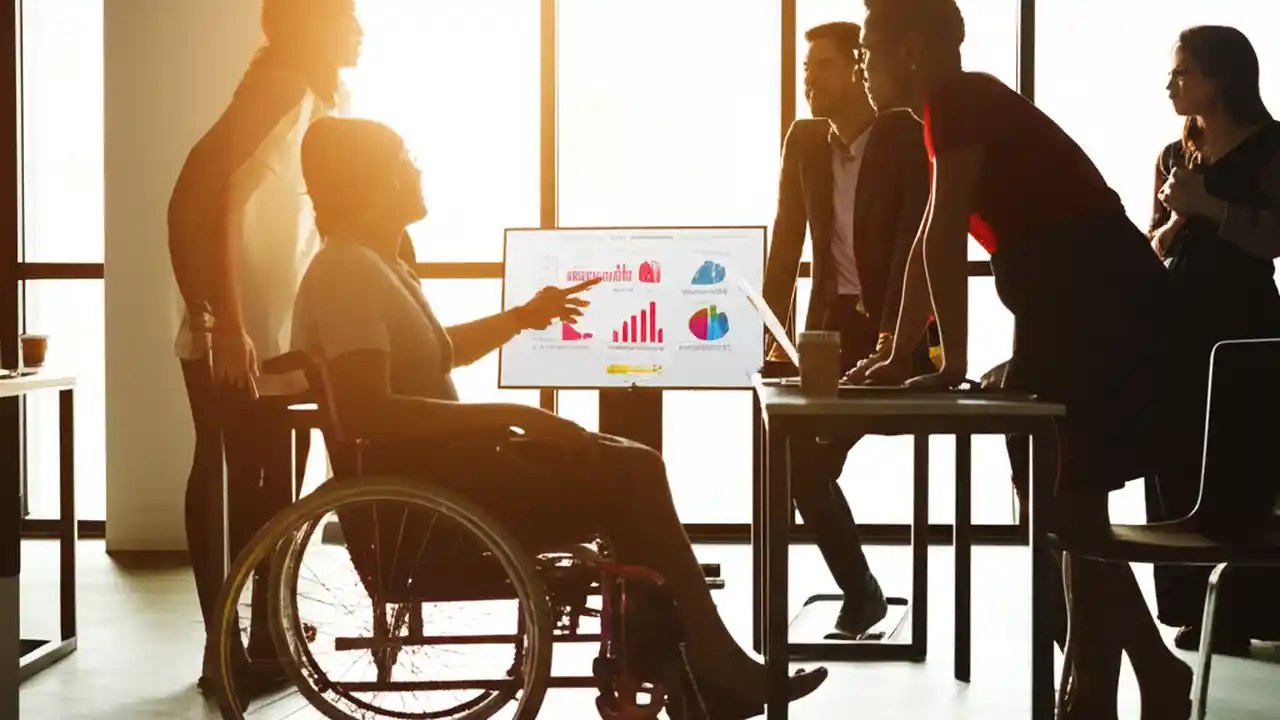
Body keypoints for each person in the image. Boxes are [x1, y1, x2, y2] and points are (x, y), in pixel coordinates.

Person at [289, 116, 829, 718]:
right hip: (436, 508)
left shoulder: (376, 265)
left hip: (453, 477)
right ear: (369, 181)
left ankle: (692, 659)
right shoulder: (346, 273)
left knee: (628, 465)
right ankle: (711, 663)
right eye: (402, 157)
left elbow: (439, 352)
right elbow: (371, 412)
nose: (416, 168)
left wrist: (522, 316)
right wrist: (520, 416)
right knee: (631, 474)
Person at [851, 0, 1192, 716]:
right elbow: (927, 242)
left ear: (911, 50)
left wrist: (946, 365)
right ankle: (1137, 675)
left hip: (1101, 310)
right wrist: (898, 351)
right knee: (1065, 503)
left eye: (867, 47)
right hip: (1078, 310)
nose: (862, 64)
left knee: (1066, 498)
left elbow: (943, 236)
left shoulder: (959, 97)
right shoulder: (951, 111)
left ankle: (1099, 686)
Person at [165, 0, 363, 692]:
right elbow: (201, 192)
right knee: (226, 472)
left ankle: (268, 636)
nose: (360, 30)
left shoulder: (316, 92)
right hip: (237, 322)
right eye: (348, 16)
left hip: (281, 322)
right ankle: (223, 652)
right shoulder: (276, 82)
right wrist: (219, 322)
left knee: (277, 477)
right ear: (312, 24)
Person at [761, 21, 931, 637]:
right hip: (829, 334)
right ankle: (861, 592)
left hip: (896, 330)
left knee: (807, 464)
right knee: (797, 463)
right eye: (805, 68)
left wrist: (896, 340)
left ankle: (862, 596)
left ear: (858, 67)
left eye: (822, 66)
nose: (809, 78)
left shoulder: (905, 134)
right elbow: (786, 242)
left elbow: (921, 243)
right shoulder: (805, 141)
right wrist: (770, 331)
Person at [1146, 25, 1280, 654]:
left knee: (1241, 463)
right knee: (1176, 459)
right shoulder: (1174, 157)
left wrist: (1207, 207)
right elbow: (1156, 245)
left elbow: (1271, 241)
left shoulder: (1270, 147)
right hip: (1178, 326)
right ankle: (1191, 602)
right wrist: (1177, 218)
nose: (1171, 83)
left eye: (1182, 72)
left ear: (1221, 77)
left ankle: (1244, 609)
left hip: (1244, 325)